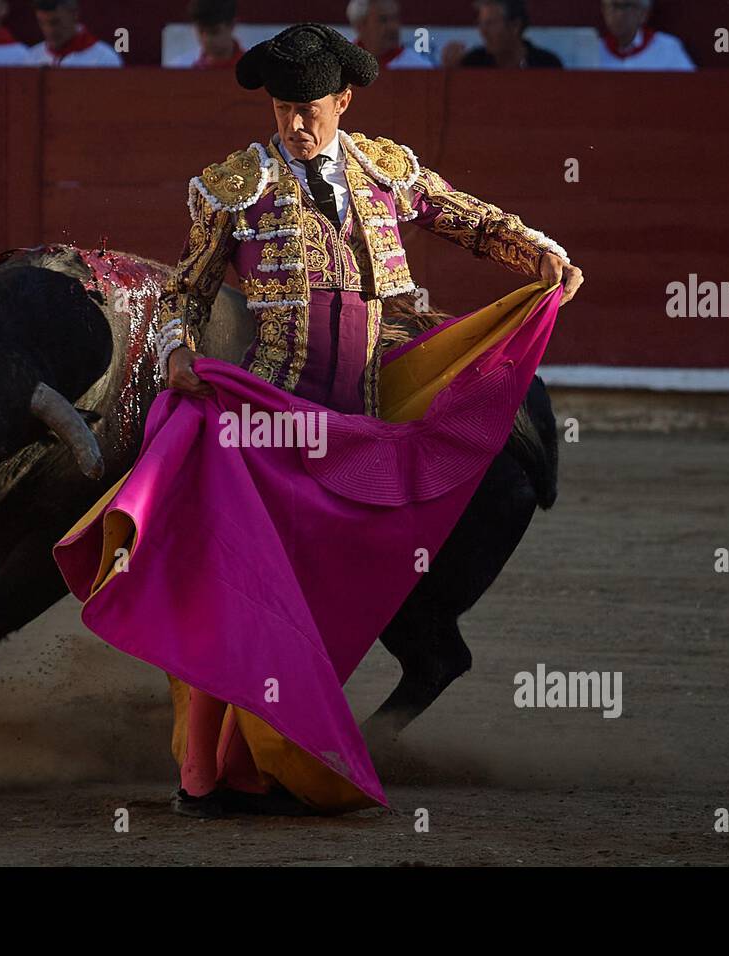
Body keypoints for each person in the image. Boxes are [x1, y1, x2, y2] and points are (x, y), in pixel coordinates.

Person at [154, 22, 581, 816]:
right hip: (271, 421)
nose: (295, 123)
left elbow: (465, 216)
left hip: (359, 416)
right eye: (283, 109)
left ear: (342, 100)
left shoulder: (386, 171)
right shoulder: (231, 186)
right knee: (246, 595)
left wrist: (534, 250)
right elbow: (185, 289)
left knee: (328, 597)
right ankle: (205, 778)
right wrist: (176, 348)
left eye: (310, 107)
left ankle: (270, 760)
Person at [441, 0, 563, 69]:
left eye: (490, 24)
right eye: (481, 24)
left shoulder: (546, 64)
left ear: (515, 26)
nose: (483, 31)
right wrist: (451, 71)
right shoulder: (473, 63)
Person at [595, 0, 694, 71]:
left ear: (643, 13)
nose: (619, 14)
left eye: (627, 6)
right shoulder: (593, 51)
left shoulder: (667, 49)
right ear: (603, 10)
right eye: (613, 5)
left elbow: (689, 88)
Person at [25, 0, 122, 67]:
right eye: (42, 23)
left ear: (74, 14)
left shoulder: (104, 59)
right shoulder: (31, 57)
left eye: (56, 22)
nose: (49, 30)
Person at [346, 0, 435, 70]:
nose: (393, 27)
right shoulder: (341, 61)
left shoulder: (419, 67)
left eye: (395, 19)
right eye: (383, 20)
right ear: (360, 25)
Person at [188, 0, 242, 69]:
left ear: (232, 25)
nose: (207, 39)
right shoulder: (192, 69)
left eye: (214, 32)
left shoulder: (251, 70)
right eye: (201, 31)